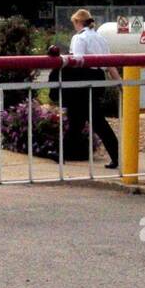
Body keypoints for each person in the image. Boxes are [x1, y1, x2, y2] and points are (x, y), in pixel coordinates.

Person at [60, 10, 120, 169]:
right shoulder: (101, 39)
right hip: (98, 77)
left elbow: (77, 62)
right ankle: (62, 153)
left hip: (83, 79)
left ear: (78, 22)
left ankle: (62, 153)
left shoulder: (79, 38)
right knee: (78, 119)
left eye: (74, 23)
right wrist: (120, 83)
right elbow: (109, 64)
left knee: (93, 120)